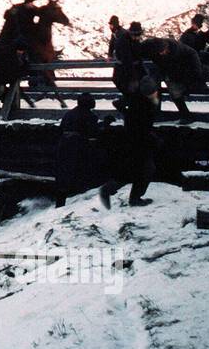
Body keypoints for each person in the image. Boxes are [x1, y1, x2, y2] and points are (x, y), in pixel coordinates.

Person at [100, 76, 160, 208]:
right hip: (139, 140)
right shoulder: (144, 103)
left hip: (134, 138)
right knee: (144, 169)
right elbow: (143, 122)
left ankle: (114, 191)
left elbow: (118, 103)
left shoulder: (136, 99)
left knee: (134, 170)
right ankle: (131, 197)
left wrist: (126, 113)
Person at [54, 92, 106, 206]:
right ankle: (80, 201)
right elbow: (93, 132)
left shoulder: (69, 114)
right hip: (77, 146)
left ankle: (60, 203)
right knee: (81, 172)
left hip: (64, 145)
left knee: (64, 174)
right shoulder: (90, 116)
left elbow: (60, 130)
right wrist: (105, 124)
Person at [111, 20, 141, 95]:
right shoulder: (123, 42)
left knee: (131, 96)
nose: (136, 38)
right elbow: (127, 61)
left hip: (127, 72)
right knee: (131, 94)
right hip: (123, 73)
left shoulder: (133, 40)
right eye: (135, 36)